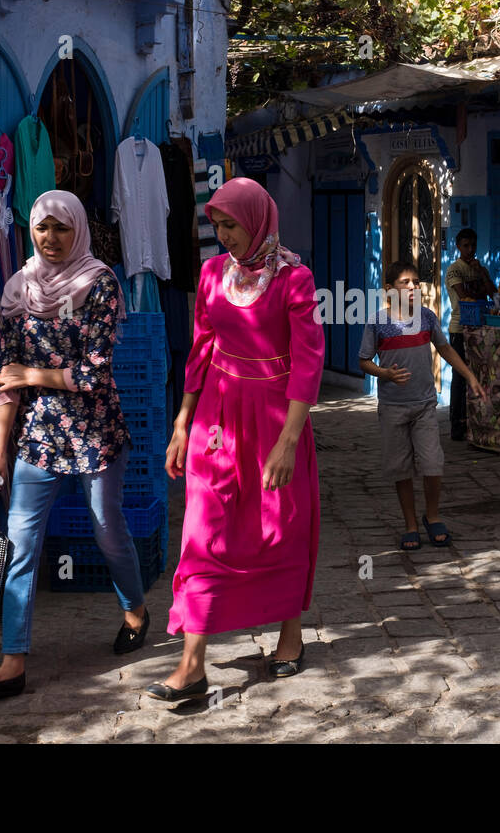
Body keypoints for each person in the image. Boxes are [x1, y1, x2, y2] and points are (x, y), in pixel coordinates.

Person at [0, 190, 147, 700]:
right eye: (42, 227)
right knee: (21, 546)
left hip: (96, 434)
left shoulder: (101, 284)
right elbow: (7, 379)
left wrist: (31, 372)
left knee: (107, 528)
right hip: (38, 438)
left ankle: (135, 609)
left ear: (79, 230)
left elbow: (93, 374)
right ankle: (13, 662)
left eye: (61, 228)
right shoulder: (18, 288)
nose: (50, 238)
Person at [156, 177, 324, 702]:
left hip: (277, 420)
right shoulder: (210, 275)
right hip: (217, 419)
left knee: (279, 528)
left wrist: (289, 442)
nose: (223, 234)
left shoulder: (294, 280)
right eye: (218, 224)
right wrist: (183, 422)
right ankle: (191, 664)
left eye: (231, 223)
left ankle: (290, 637)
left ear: (256, 219)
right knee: (202, 531)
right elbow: (201, 349)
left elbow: (308, 362)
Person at [359, 259, 487, 551]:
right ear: (389, 289)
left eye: (416, 282)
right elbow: (364, 361)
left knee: (432, 464)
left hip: (425, 405)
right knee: (401, 468)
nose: (414, 287)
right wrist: (386, 373)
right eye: (406, 282)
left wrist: (470, 377)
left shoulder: (427, 318)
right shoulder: (378, 322)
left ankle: (432, 515)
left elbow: (444, 349)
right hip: (393, 407)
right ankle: (410, 524)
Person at [443, 228, 497, 442]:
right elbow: (464, 297)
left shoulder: (479, 269)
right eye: (465, 245)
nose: (470, 249)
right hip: (459, 329)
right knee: (460, 377)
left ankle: (476, 423)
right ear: (458, 246)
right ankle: (457, 426)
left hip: (480, 329)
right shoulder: (454, 270)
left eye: (473, 245)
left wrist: (483, 274)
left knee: (479, 376)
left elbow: (494, 295)